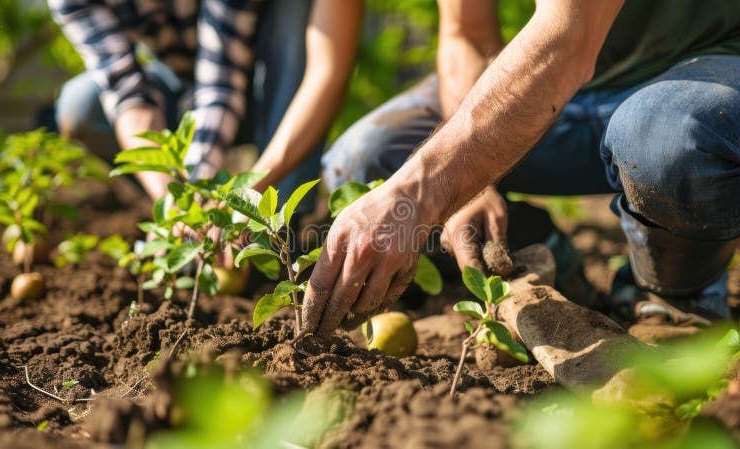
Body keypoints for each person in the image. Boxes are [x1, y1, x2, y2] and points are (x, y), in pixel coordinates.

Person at [303, 0, 740, 338]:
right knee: (368, 158)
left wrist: (419, 192)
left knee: (667, 136)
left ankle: (677, 296)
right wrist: (469, 186)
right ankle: (538, 257)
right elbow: (467, 37)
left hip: (701, 71)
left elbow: (568, 38)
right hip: (566, 91)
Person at [49, 0, 362, 212]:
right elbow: (127, 93)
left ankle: (280, 221)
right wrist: (175, 198)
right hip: (188, 88)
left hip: (271, 86)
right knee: (81, 106)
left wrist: (236, 189)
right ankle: (216, 208)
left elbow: (221, 79)